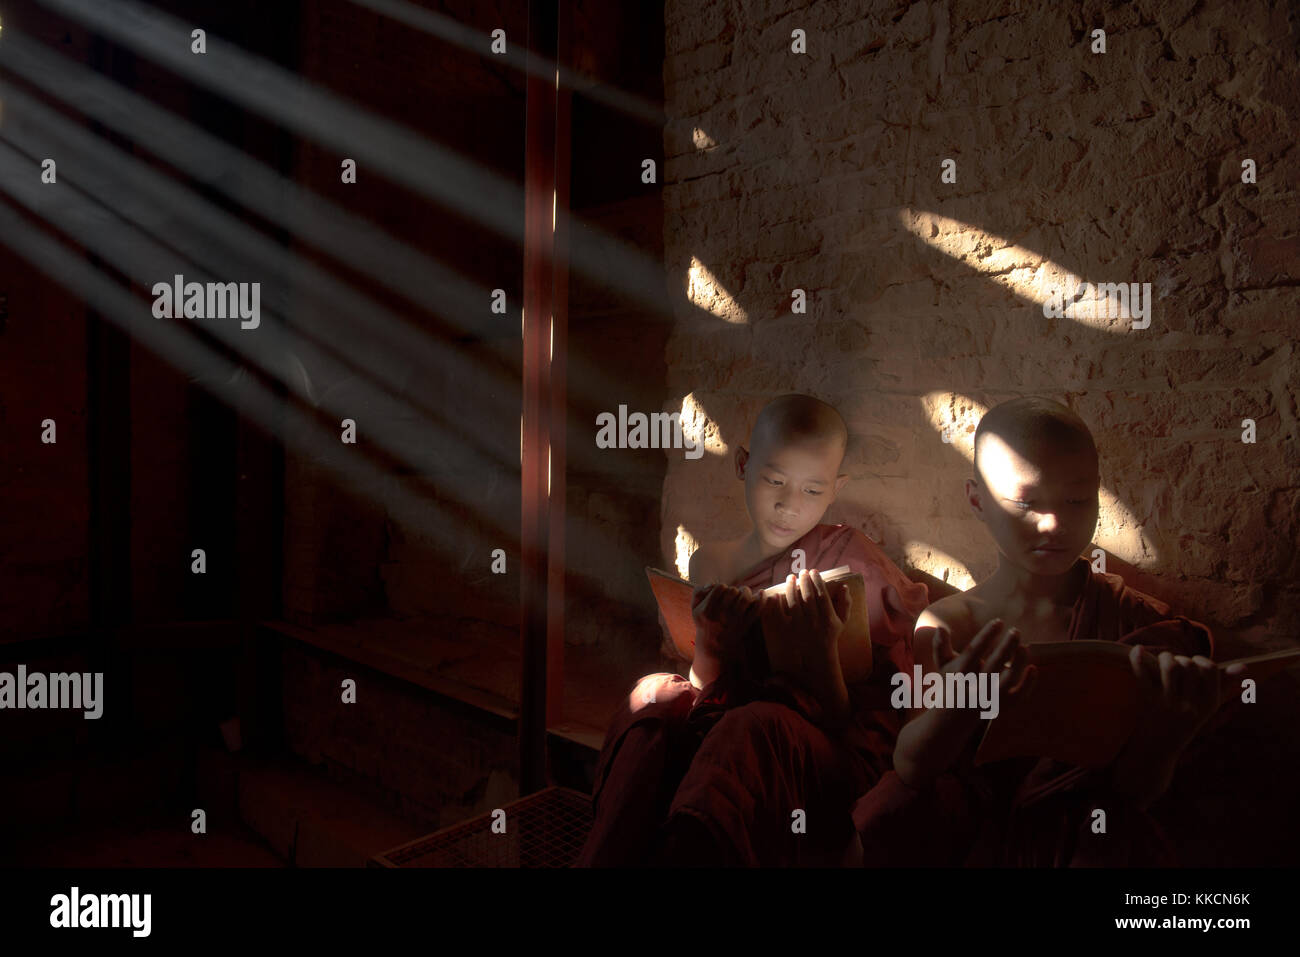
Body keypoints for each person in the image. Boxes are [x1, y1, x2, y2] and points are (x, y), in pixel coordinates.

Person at [852, 396, 1240, 866]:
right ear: (977, 500)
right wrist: (961, 708)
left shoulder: (1134, 621)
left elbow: (1134, 797)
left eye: (1077, 500)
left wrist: (1168, 736)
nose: (1054, 523)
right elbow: (912, 767)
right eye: (1026, 502)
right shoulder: (951, 623)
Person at [577, 394, 930, 866]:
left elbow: (860, 730)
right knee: (653, 694)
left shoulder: (852, 565)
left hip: (808, 747)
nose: (788, 505)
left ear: (835, 489)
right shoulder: (710, 563)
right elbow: (705, 693)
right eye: (774, 481)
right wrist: (709, 647)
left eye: (812, 490)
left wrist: (822, 650)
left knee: (754, 723)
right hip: (724, 731)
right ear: (743, 464)